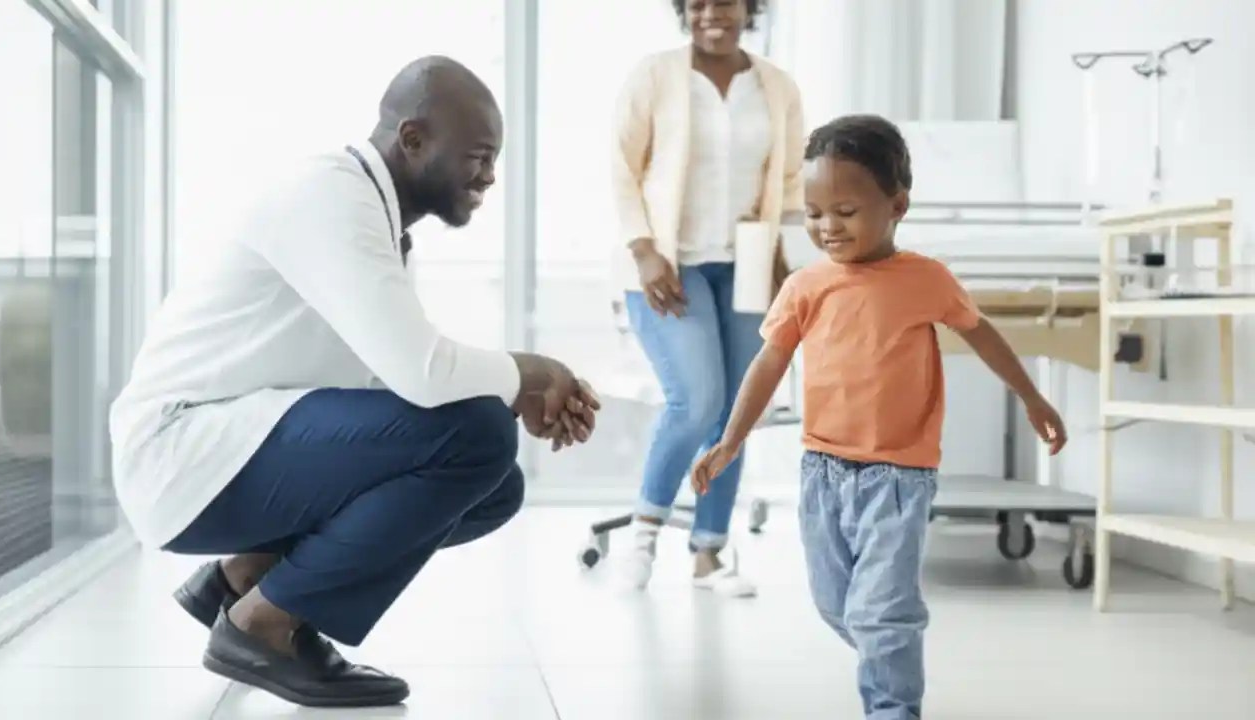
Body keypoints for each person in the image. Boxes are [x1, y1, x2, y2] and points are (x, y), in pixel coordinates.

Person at [109, 56, 600, 709]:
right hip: (179, 453)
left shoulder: (375, 221)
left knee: (493, 484)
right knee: (478, 436)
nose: (488, 175)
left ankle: (243, 577)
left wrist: (511, 397)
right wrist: (530, 376)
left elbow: (390, 392)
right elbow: (423, 372)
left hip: (232, 446)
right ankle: (264, 626)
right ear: (413, 139)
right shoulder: (331, 198)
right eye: (478, 156)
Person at [690, 115, 1068, 719]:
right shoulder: (806, 286)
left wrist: (1032, 397)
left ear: (897, 206)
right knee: (838, 606)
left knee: (882, 614)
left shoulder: (926, 279)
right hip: (821, 471)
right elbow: (768, 364)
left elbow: (982, 335)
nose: (827, 227)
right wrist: (731, 440)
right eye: (815, 213)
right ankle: (890, 656)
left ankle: (893, 706)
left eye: (845, 211)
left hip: (898, 476)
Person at [609, 0, 803, 596]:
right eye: (697, 3)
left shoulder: (776, 87)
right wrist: (643, 250)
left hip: (748, 265)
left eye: (724, 2)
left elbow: (790, 179)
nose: (710, 14)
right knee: (695, 400)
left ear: (749, 8)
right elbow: (621, 169)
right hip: (668, 265)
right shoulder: (655, 75)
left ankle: (709, 555)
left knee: (737, 411)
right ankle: (643, 534)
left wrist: (787, 259)